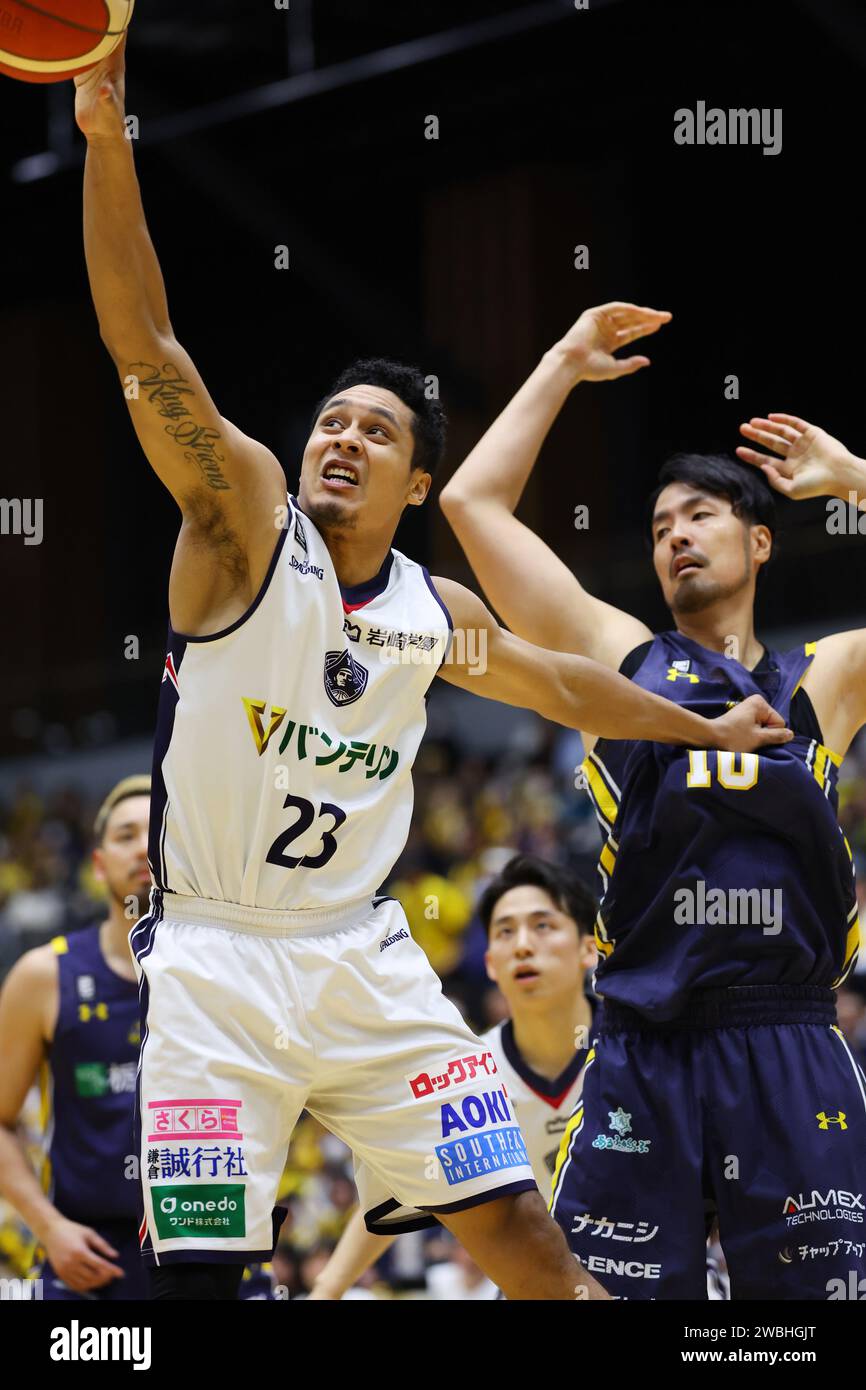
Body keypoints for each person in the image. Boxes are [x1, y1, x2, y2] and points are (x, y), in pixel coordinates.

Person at [74, 44, 788, 1303]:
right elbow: (146, 345)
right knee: (195, 1285)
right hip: (216, 962)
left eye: (379, 431)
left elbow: (561, 686)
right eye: (331, 422)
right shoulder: (243, 526)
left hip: (363, 959)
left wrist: (694, 719)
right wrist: (106, 138)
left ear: (416, 486)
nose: (343, 437)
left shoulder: (426, 606)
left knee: (520, 1234)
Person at [440, 303, 866, 1299]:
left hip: (788, 1034)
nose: (674, 534)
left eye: (701, 516)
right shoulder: (619, 663)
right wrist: (557, 362)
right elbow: (473, 507)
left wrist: (849, 477)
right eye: (659, 524)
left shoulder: (825, 676)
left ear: (760, 542)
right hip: (644, 1042)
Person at [308, 854, 599, 1298]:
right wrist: (327, 1290)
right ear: (489, 963)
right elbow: (406, 1174)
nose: (523, 945)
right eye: (505, 931)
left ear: (588, 948)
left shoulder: (637, 1055)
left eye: (542, 926)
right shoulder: (465, 1070)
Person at [0, 777, 151, 1300]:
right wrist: (47, 1226)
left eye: (158, 831)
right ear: (98, 864)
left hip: (218, 1252)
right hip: (88, 1261)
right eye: (126, 835)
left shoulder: (236, 972)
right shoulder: (42, 975)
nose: (144, 847)